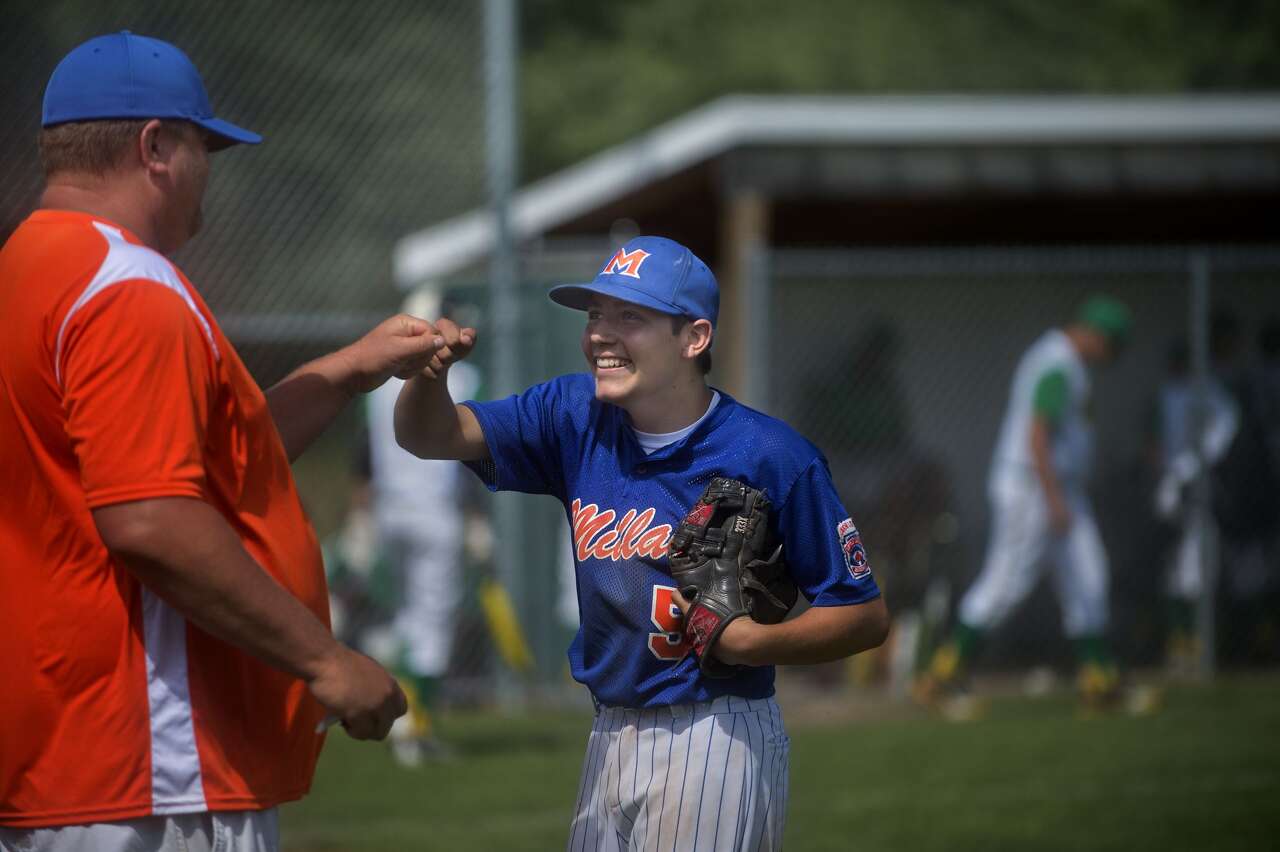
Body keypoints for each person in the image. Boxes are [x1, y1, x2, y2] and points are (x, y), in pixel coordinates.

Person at [0, 31, 438, 850]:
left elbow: (197, 467)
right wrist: (325, 661)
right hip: (149, 758)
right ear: (154, 147)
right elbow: (151, 518)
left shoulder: (28, 265)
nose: (211, 173)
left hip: (60, 744)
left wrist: (346, 372)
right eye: (205, 147)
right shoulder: (127, 287)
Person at [395, 235, 889, 850]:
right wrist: (426, 378)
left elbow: (864, 613)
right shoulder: (572, 416)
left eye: (631, 316)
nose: (602, 333)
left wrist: (753, 643)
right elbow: (430, 436)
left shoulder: (771, 455)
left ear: (694, 338)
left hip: (715, 732)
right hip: (608, 733)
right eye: (597, 314)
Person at [915, 296, 1133, 715]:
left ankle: (1100, 677)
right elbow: (1037, 434)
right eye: (1111, 345)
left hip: (1056, 487)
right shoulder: (1058, 363)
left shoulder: (1064, 361)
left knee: (1087, 574)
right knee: (1006, 583)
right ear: (1094, 335)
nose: (1109, 356)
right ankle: (942, 674)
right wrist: (1053, 498)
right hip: (1034, 487)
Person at [366, 285, 482, 765]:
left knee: (409, 618)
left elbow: (362, 455)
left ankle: (406, 716)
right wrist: (478, 519)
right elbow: (470, 448)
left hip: (388, 514)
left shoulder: (378, 387)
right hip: (435, 515)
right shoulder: (467, 377)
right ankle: (414, 730)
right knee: (432, 624)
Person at [1150, 337, 1239, 675]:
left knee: (1195, 567)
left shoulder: (1208, 393)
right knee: (1176, 567)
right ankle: (1182, 644)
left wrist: (1203, 463)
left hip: (1196, 484)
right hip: (1171, 488)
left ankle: (1194, 644)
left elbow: (1227, 428)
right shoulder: (1168, 395)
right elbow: (1156, 443)